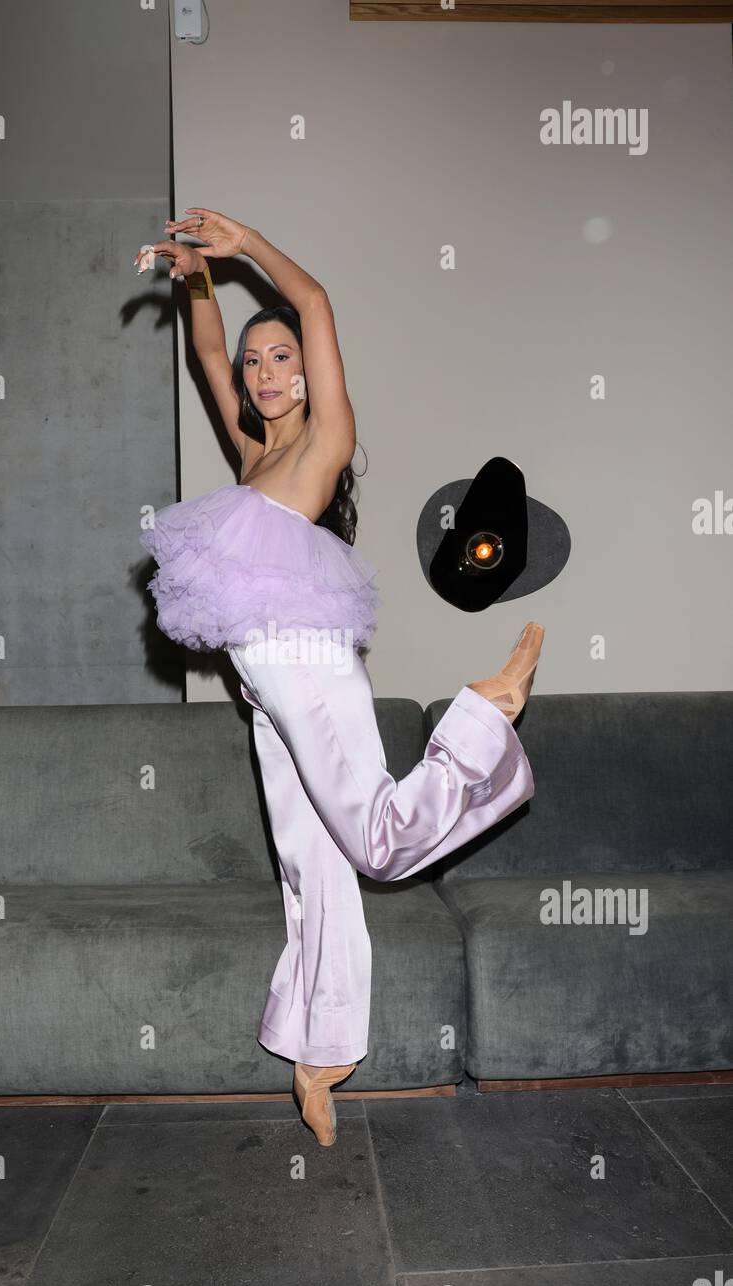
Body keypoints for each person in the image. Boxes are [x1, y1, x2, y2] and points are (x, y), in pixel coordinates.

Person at [133, 210, 545, 1147]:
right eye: (256, 364)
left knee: (378, 845)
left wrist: (246, 244)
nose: (265, 371)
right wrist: (192, 272)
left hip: (306, 665)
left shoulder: (322, 444)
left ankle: (487, 716)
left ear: (310, 372)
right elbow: (202, 345)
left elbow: (314, 299)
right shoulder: (252, 456)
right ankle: (322, 1053)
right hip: (264, 690)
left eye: (281, 357)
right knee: (309, 867)